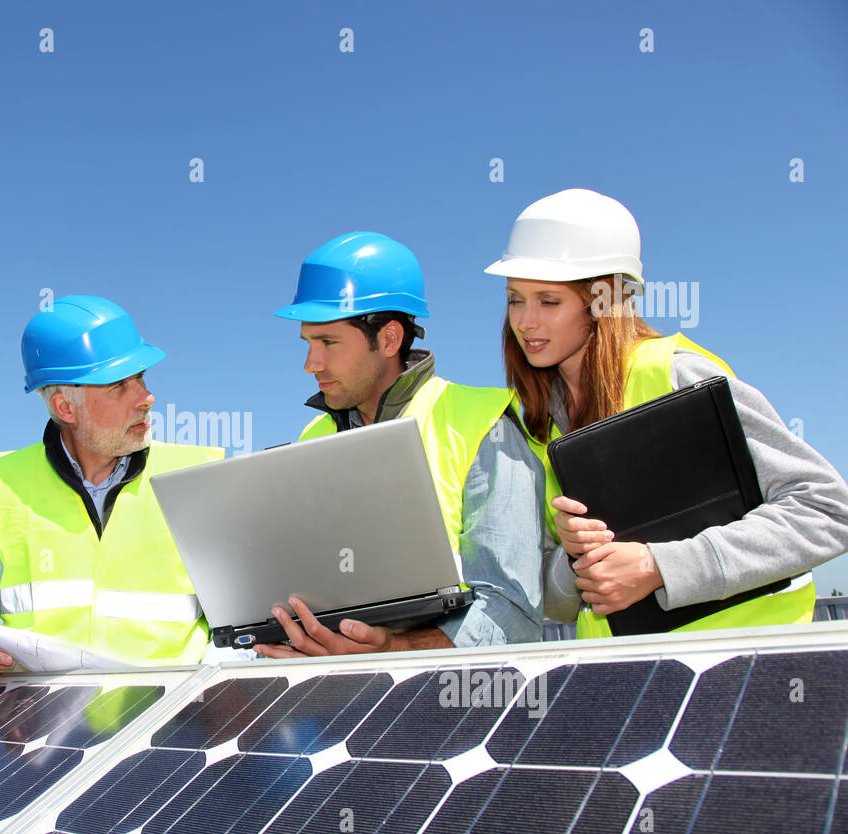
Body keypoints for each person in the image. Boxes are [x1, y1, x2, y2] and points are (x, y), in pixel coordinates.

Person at [487, 188, 848, 637]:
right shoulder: (538, 426)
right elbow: (554, 604)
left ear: (603, 301)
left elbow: (827, 510)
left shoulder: (678, 373)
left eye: (549, 301)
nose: (524, 321)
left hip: (742, 670)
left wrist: (659, 566)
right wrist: (574, 559)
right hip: (623, 678)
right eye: (515, 299)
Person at [257, 231, 545, 659]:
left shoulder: (481, 424)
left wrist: (395, 649)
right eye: (308, 343)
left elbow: (514, 614)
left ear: (389, 339)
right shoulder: (311, 439)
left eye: (329, 343)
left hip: (447, 706)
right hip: (329, 700)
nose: (310, 364)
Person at [0, 295, 223, 681]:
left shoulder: (198, 475)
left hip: (172, 726)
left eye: (142, 379)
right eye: (120, 386)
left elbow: (243, 625)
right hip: (41, 728)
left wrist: (215, 687)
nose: (146, 399)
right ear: (66, 408)